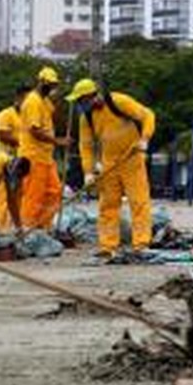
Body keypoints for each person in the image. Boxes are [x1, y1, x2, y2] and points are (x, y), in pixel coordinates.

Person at [65, 79, 155, 260]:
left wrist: (144, 138)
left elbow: (148, 116)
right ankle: (108, 246)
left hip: (132, 159)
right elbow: (86, 147)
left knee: (139, 202)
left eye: (82, 100)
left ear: (93, 96)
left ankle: (141, 244)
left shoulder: (117, 102)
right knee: (107, 206)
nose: (81, 105)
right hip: (109, 164)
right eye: (79, 102)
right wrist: (88, 172)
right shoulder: (86, 119)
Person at [18, 68, 63, 231]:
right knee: (33, 196)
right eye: (49, 85)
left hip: (46, 156)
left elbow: (53, 113)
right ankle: (27, 228)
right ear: (41, 82)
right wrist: (57, 141)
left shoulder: (44, 100)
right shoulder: (33, 101)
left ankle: (43, 226)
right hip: (33, 156)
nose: (52, 88)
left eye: (54, 85)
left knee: (54, 192)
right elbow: (35, 131)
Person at [0, 86, 26, 231]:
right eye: (25, 99)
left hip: (20, 163)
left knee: (18, 197)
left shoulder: (26, 117)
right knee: (3, 197)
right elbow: (3, 135)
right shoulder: (5, 114)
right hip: (5, 162)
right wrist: (25, 142)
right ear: (17, 98)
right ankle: (2, 228)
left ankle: (16, 226)